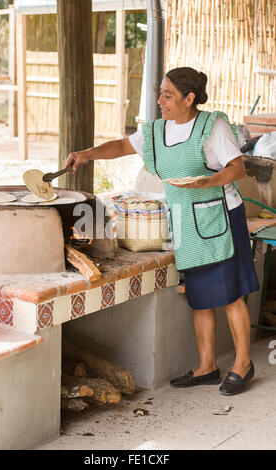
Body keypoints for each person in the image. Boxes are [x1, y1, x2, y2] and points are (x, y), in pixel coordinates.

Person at [65, 67, 259, 396]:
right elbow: (123, 146)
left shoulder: (213, 126)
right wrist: (87, 155)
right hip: (185, 219)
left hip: (222, 217)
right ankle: (207, 366)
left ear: (190, 98)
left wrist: (207, 182)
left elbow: (237, 167)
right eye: (160, 93)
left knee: (230, 294)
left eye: (168, 95)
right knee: (199, 296)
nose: (160, 101)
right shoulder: (157, 131)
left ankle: (243, 364)